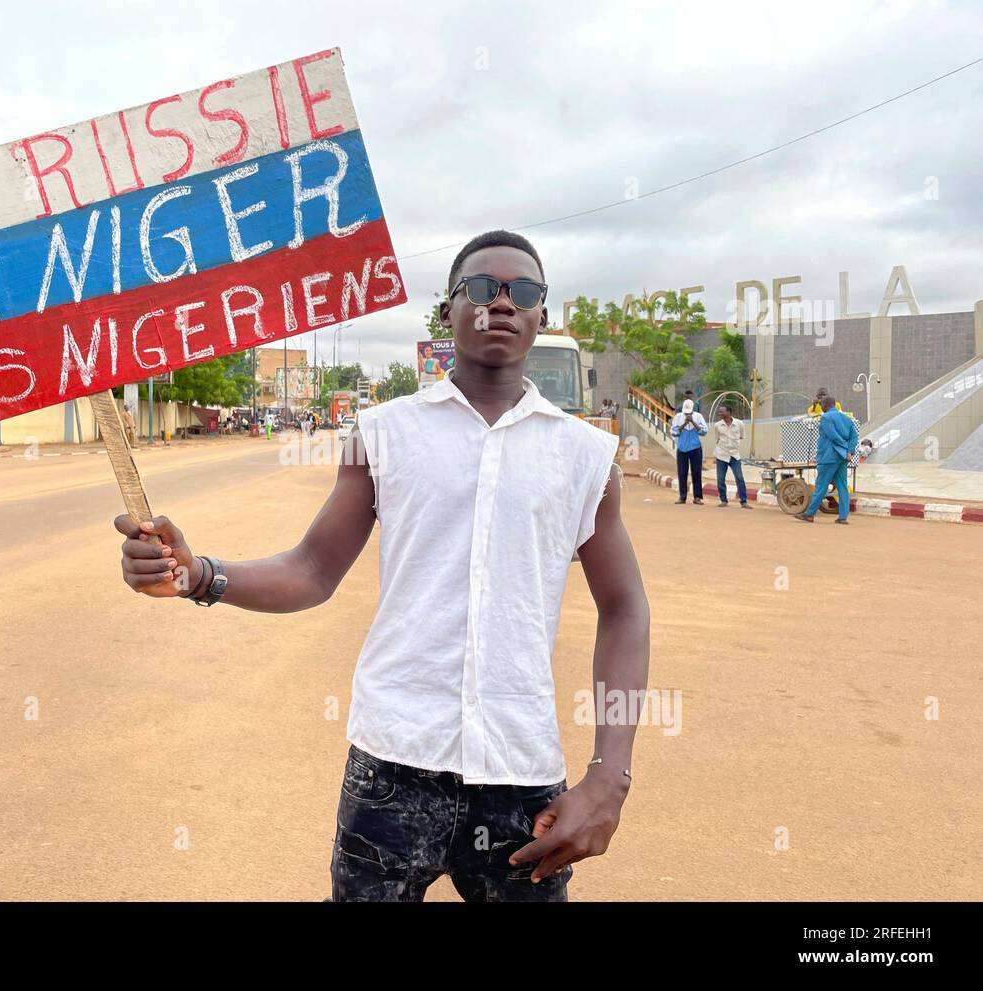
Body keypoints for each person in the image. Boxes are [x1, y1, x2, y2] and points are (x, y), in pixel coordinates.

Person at [116, 230, 650, 902]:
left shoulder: (582, 458)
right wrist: (200, 575)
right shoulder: (386, 434)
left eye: (526, 292)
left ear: (543, 314)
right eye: (482, 287)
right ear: (447, 311)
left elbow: (624, 607)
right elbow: (311, 568)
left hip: (521, 780)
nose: (503, 303)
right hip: (392, 773)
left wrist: (610, 774)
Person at [797, 395, 858, 524]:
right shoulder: (848, 419)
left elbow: (832, 435)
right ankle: (843, 517)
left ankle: (809, 514)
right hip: (842, 457)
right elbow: (854, 437)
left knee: (821, 486)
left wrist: (843, 446)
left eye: (822, 405)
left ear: (825, 405)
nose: (821, 407)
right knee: (842, 486)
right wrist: (849, 451)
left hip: (828, 456)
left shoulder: (825, 417)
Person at [712, 405, 751, 509]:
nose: (719, 413)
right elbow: (717, 438)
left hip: (734, 455)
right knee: (720, 479)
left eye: (721, 411)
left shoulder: (739, 424)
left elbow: (742, 436)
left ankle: (743, 501)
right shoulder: (717, 426)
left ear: (728, 412)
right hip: (721, 455)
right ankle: (723, 500)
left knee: (739, 478)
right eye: (719, 412)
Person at [670, 398, 707, 505]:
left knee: (696, 472)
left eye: (689, 413)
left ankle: (697, 497)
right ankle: (682, 496)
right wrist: (684, 424)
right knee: (682, 473)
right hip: (682, 448)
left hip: (696, 448)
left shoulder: (698, 416)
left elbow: (704, 432)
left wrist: (693, 422)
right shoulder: (678, 417)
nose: (688, 414)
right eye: (686, 413)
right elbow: (674, 432)